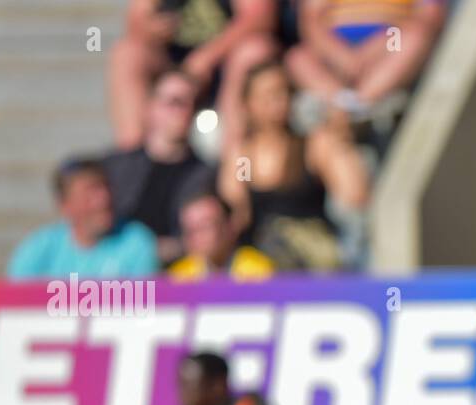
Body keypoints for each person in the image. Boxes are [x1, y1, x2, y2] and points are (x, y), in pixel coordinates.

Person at [219, 59, 369, 271]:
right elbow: (235, 215)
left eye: (284, 91)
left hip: (313, 261)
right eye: (268, 94)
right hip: (260, 267)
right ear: (248, 103)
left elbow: (355, 199)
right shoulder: (242, 156)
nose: (279, 100)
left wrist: (341, 139)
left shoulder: (315, 145)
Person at [108, 0, 280, 149]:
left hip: (228, 62)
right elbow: (136, 22)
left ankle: (234, 160)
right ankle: (133, 163)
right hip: (171, 63)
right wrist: (153, 28)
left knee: (254, 51)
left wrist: (207, 57)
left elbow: (260, 17)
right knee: (126, 54)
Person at [102, 70, 215, 266]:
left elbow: (209, 238)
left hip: (175, 278)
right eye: (175, 102)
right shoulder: (114, 167)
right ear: (151, 108)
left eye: (194, 103)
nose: (186, 111)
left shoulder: (208, 175)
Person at [284, 0, 446, 123]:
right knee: (297, 57)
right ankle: (346, 105)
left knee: (415, 38)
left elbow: (430, 16)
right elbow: (311, 21)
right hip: (335, 47)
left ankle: (364, 101)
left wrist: (373, 49)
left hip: (390, 36)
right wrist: (341, 57)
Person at [7, 159, 159, 280]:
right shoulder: (39, 248)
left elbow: (142, 308)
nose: (103, 199)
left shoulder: (136, 242)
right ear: (65, 205)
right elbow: (16, 304)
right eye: (90, 193)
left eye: (105, 188)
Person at [169, 191, 276, 280]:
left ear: (229, 226)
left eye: (205, 226)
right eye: (190, 230)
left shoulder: (257, 270)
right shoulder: (179, 277)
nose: (197, 236)